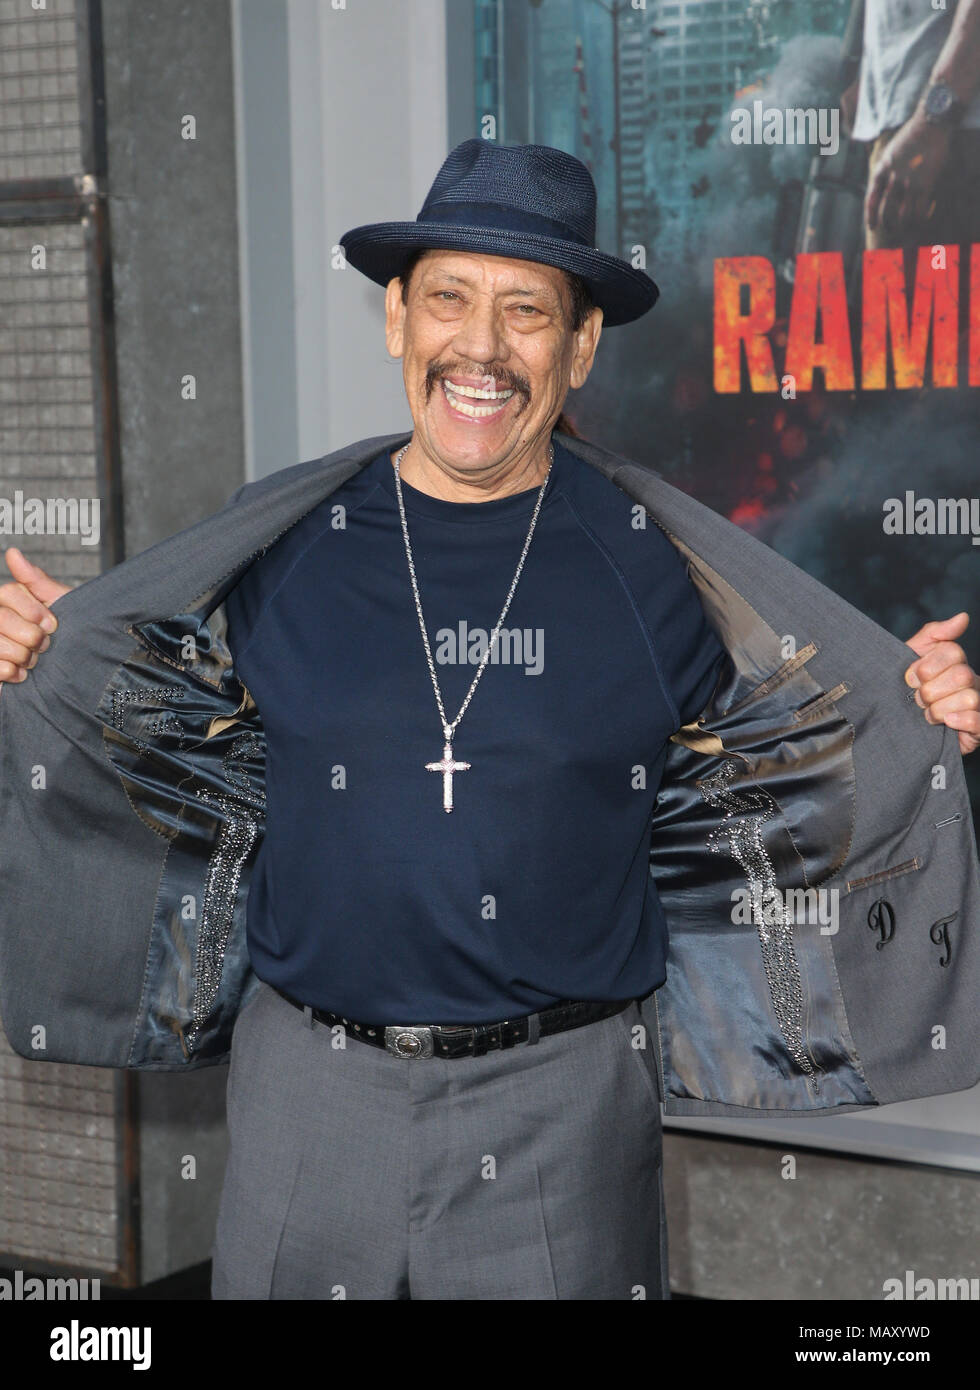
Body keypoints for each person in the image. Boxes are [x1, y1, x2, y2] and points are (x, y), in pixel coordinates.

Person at [0, 140, 978, 1301]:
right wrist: (59, 661)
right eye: (449, 300)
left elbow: (784, 786)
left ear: (577, 350)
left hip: (560, 1119)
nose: (481, 346)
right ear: (397, 322)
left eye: (525, 311)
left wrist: (919, 715)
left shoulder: (656, 571)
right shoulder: (280, 544)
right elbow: (172, 740)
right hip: (308, 1104)